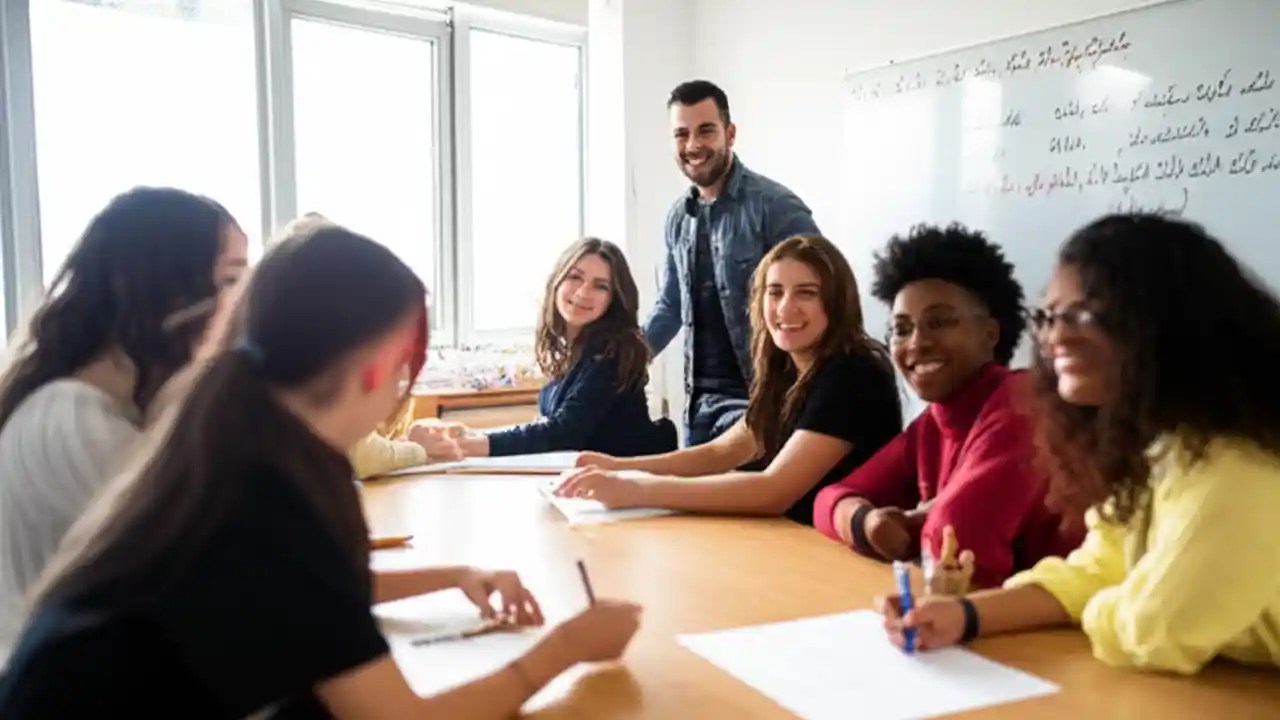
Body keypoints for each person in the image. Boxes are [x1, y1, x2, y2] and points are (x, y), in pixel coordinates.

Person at [0, 223, 642, 716]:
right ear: (376, 364)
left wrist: (456, 574)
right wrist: (565, 649)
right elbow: (401, 717)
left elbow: (306, 591)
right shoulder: (271, 484)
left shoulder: (237, 435)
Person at [877, 214, 1280, 674]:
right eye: (1049, 317)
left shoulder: (1237, 468)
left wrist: (1106, 600)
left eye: (1084, 314)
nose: (1055, 338)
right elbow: (1097, 566)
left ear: (1166, 320)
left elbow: (1154, 632)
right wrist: (967, 615)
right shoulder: (1161, 445)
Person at [0, 187, 249, 657]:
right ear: (169, 290)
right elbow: (202, 582)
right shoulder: (73, 421)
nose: (243, 308)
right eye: (230, 281)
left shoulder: (109, 411)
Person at [553, 235, 901, 527]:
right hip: (795, 543)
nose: (785, 308)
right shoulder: (788, 370)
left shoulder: (853, 373)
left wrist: (635, 488)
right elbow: (724, 450)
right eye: (775, 292)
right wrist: (617, 467)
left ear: (837, 301)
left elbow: (774, 491)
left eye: (806, 293)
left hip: (842, 559)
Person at [814, 224, 1083, 589]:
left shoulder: (1024, 404)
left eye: (939, 323)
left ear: (990, 334)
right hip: (988, 617)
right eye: (901, 328)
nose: (917, 343)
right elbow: (830, 498)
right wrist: (867, 523)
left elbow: (957, 546)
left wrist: (928, 519)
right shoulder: (935, 422)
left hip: (1065, 632)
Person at [645, 79, 821, 445]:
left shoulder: (777, 207)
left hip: (763, 401)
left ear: (730, 133)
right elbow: (670, 307)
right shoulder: (678, 217)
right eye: (681, 134)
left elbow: (822, 299)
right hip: (697, 408)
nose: (693, 145)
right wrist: (620, 363)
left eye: (706, 131)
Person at [416, 238, 676, 460]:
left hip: (624, 493)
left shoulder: (612, 351)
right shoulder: (575, 351)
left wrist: (469, 445)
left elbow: (564, 432)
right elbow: (551, 426)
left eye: (601, 286)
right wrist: (475, 436)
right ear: (557, 282)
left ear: (614, 299)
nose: (584, 292)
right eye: (575, 277)